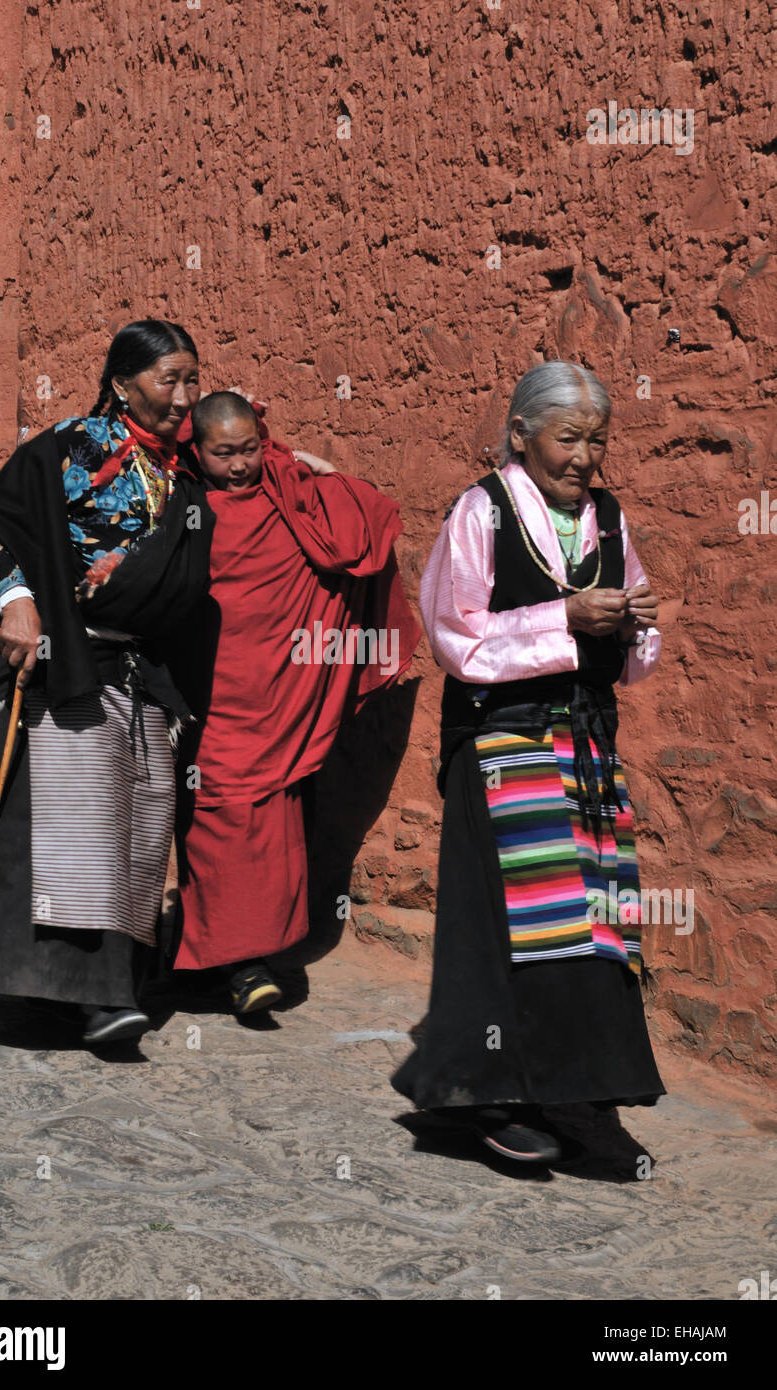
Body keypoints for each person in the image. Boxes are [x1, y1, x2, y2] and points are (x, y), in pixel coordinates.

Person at [392, 360, 665, 1163]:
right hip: (503, 745)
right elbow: (455, 634)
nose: (584, 457)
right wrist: (566, 617)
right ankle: (488, 1098)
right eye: (567, 438)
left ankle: (583, 1098)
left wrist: (631, 624)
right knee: (509, 925)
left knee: (596, 924)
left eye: (596, 441)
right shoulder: (481, 511)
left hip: (583, 748)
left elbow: (637, 651)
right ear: (520, 435)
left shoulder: (608, 518)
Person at [0, 319, 214, 1045]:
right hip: (61, 659)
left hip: (137, 672)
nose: (185, 396)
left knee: (143, 820)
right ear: (123, 383)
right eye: (170, 380)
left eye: (193, 379)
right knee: (83, 827)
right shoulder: (68, 447)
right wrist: (19, 603)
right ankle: (92, 995)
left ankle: (76, 984)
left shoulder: (180, 470)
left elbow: (250, 464)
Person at [173, 391, 422, 1014]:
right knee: (211, 818)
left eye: (249, 450)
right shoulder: (178, 503)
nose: (239, 466)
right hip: (212, 692)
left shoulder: (287, 488)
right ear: (196, 450)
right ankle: (223, 955)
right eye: (223, 454)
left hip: (275, 691)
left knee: (267, 821)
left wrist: (320, 474)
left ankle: (248, 959)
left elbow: (357, 532)